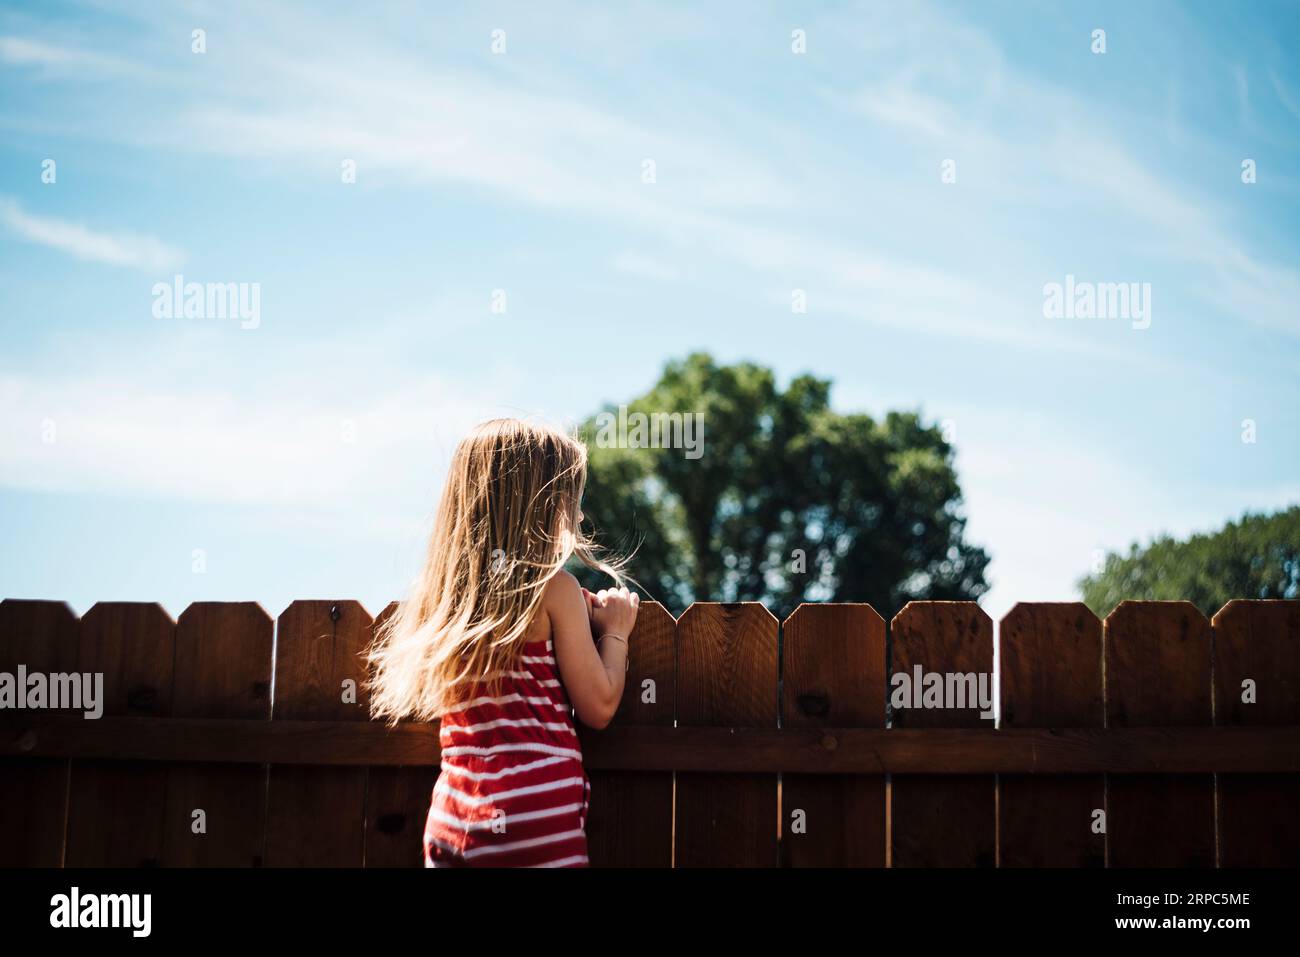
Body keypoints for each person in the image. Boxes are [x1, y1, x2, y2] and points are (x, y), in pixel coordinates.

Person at [366, 417, 640, 867]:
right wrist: (615, 630)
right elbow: (600, 706)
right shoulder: (554, 590)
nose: (579, 517)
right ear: (540, 504)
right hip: (536, 815)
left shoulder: (443, 602)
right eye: (570, 501)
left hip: (453, 820)